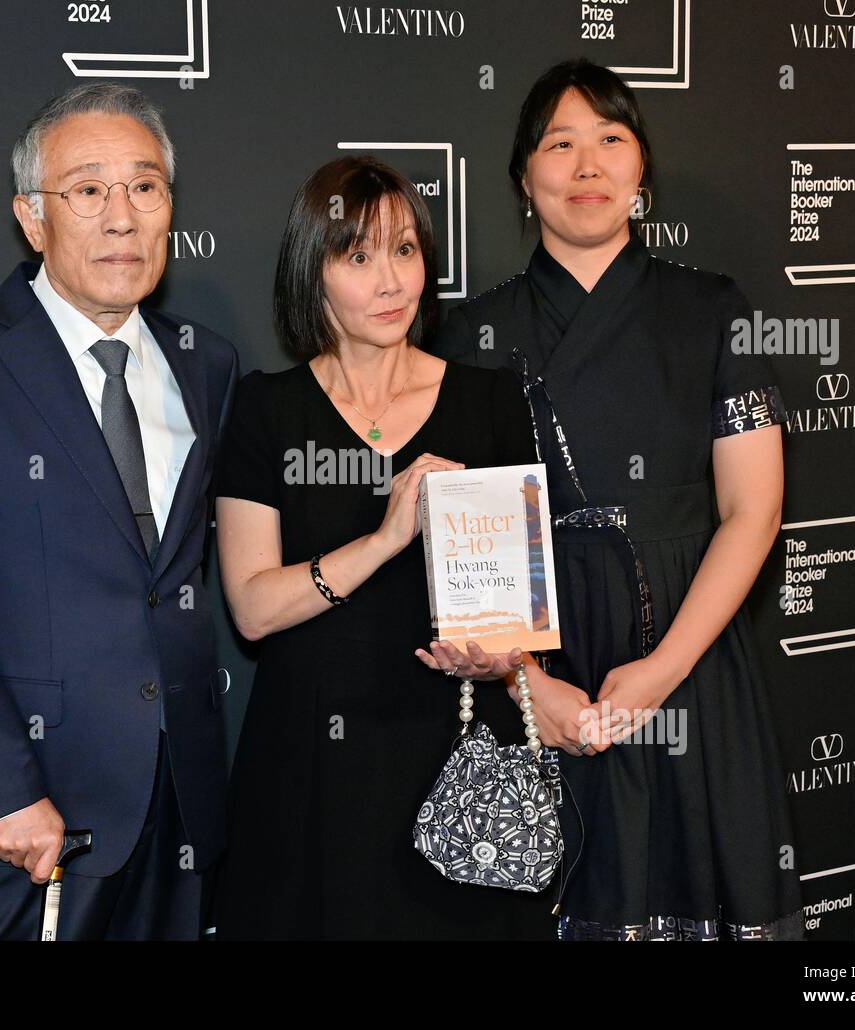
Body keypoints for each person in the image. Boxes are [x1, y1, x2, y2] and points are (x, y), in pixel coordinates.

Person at [432, 59, 806, 941]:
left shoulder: (715, 310)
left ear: (642, 171)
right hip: (539, 674)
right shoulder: (469, 334)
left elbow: (753, 511)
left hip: (690, 656)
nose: (587, 166)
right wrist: (534, 685)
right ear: (525, 179)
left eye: (611, 139)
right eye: (559, 144)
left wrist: (660, 674)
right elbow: (460, 553)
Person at [0, 82, 239, 940]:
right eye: (88, 190)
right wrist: (4, 793)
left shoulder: (206, 364)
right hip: (30, 818)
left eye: (145, 188)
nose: (122, 217)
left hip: (179, 802)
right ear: (32, 219)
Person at [211, 155, 554, 940]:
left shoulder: (490, 401)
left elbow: (517, 613)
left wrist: (501, 659)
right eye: (358, 255)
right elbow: (254, 609)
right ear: (314, 272)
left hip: (454, 761)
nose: (390, 280)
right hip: (311, 772)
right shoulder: (267, 410)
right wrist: (387, 536)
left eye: (404, 250)